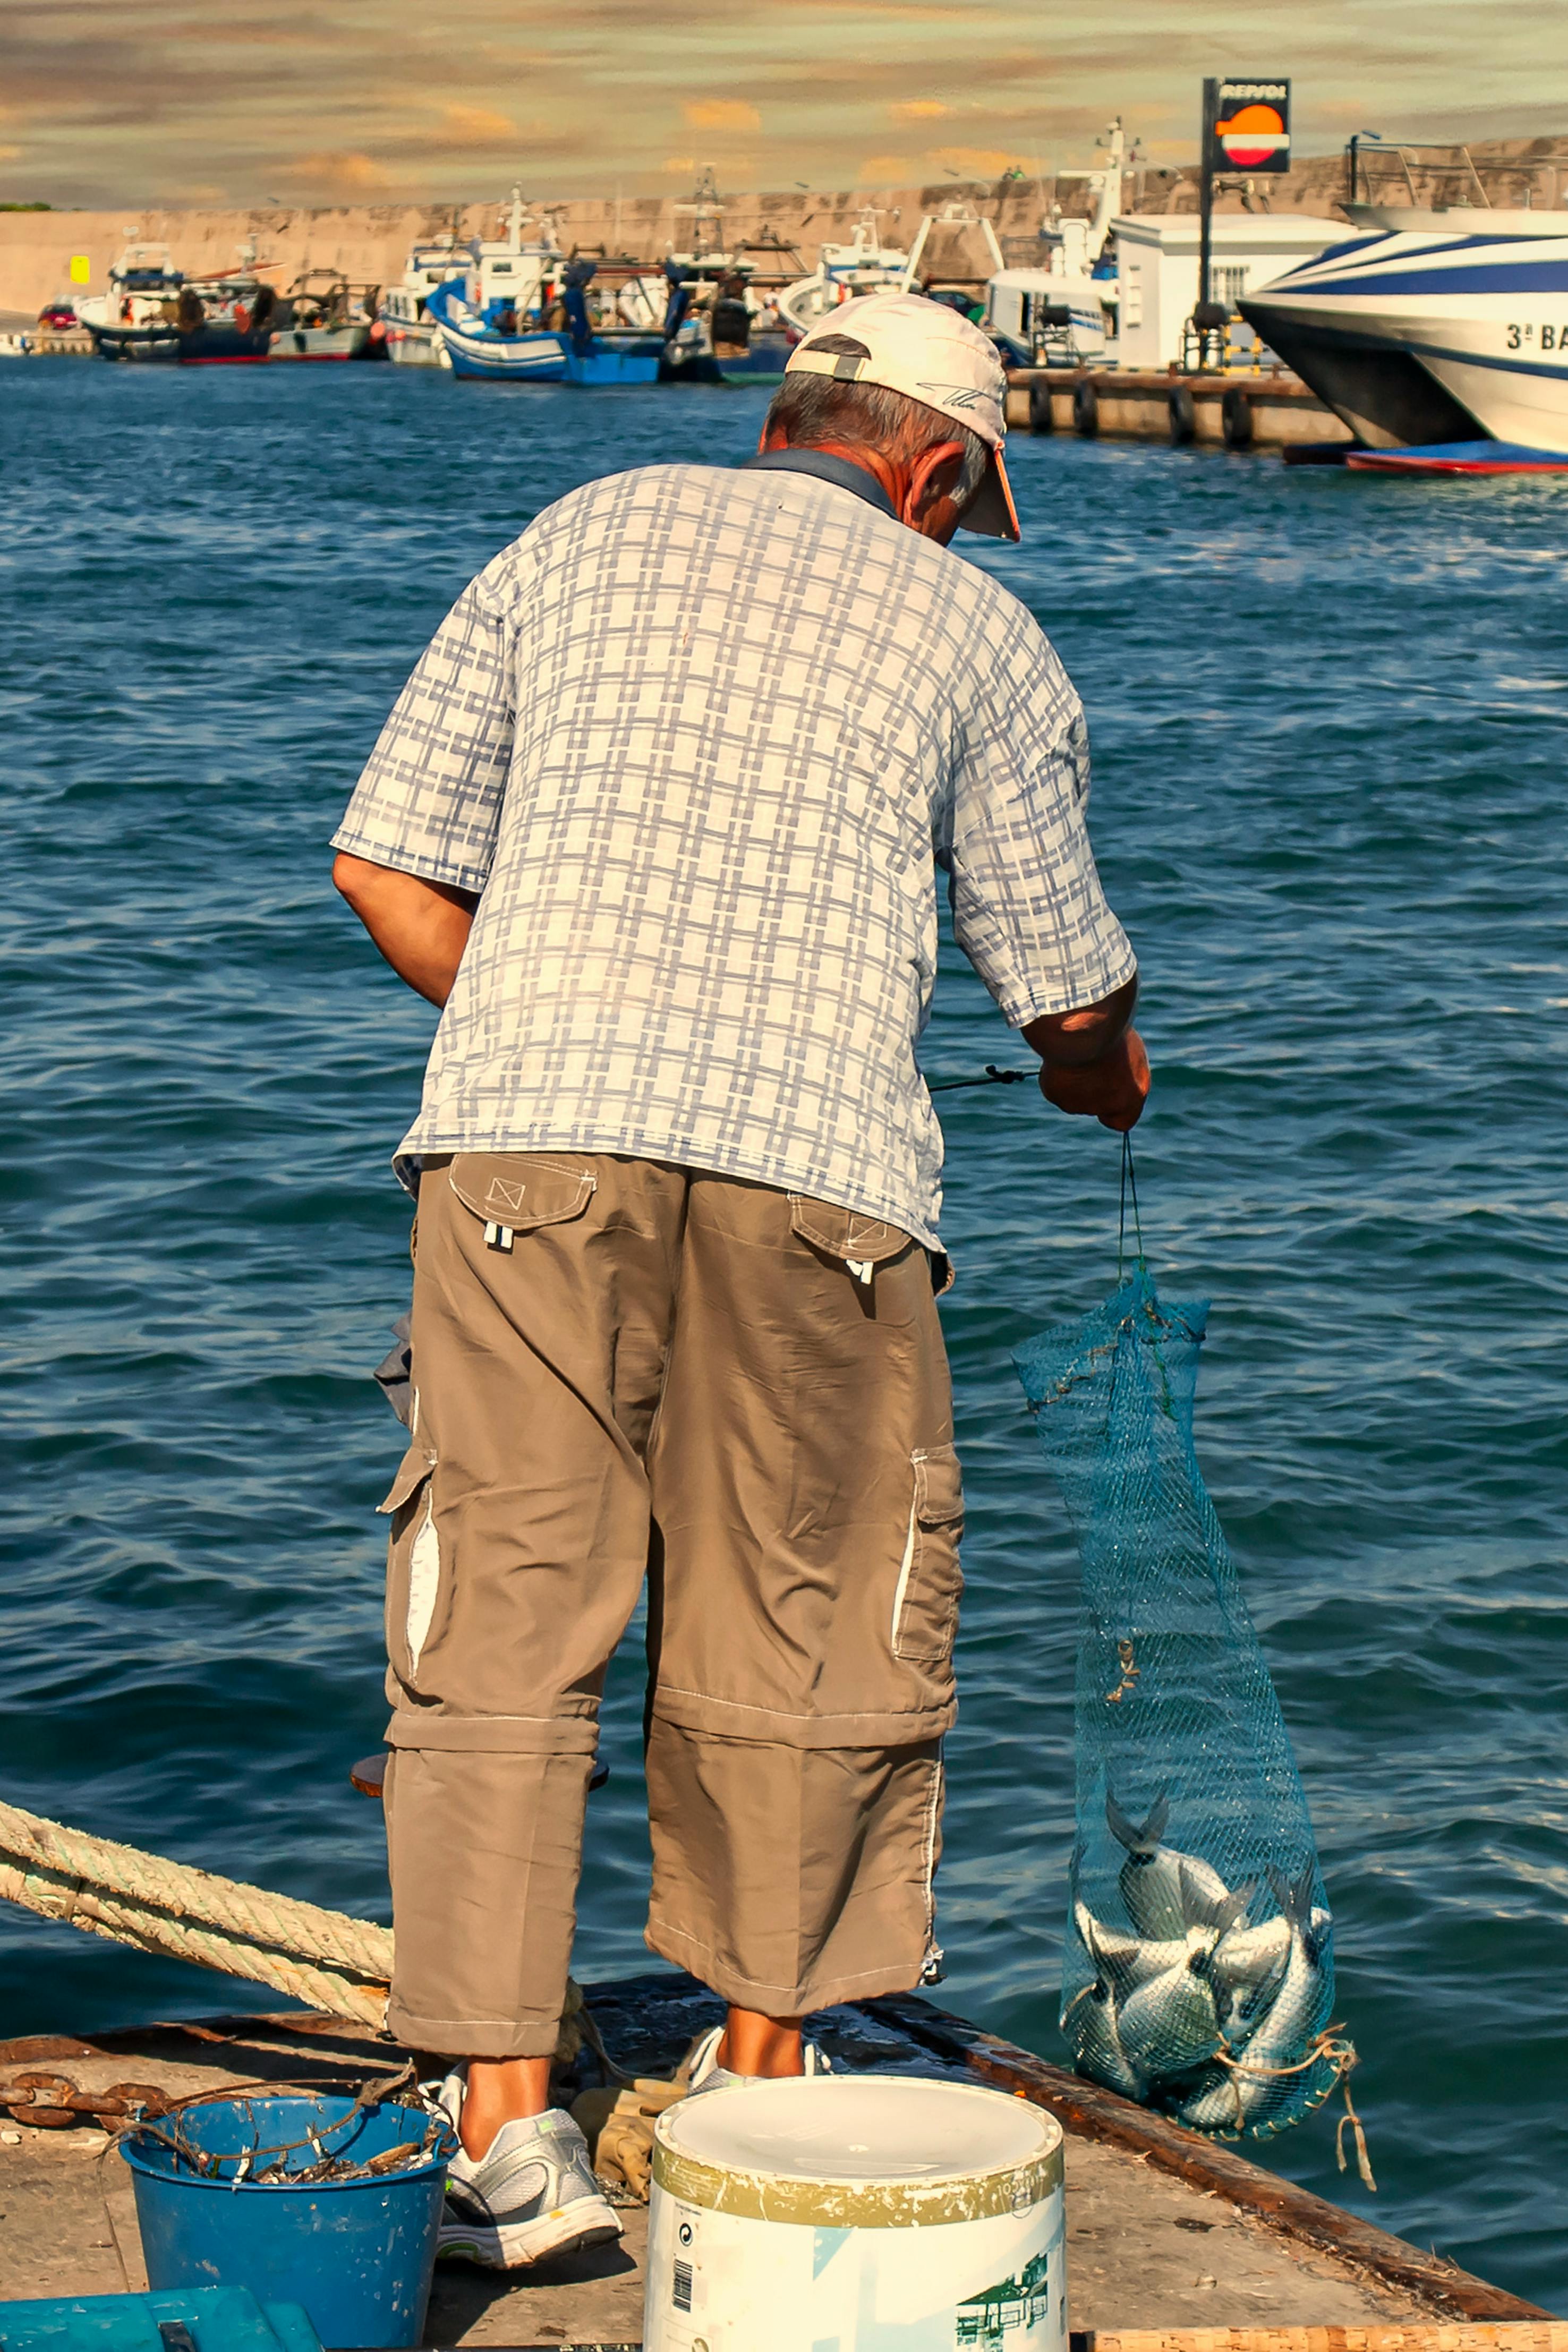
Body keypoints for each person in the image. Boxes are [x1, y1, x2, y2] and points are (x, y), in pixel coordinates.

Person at [331, 289, 1147, 2271]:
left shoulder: (578, 529)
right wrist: (1103, 1075)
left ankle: (505, 2142)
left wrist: (546, 1029)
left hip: (523, 1147)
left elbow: (388, 864)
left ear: (794, 417)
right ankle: (758, 2072)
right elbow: (1063, 983)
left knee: (500, 1610)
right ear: (937, 465)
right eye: (969, 501)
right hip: (823, 1185)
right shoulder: (976, 631)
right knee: (805, 1614)